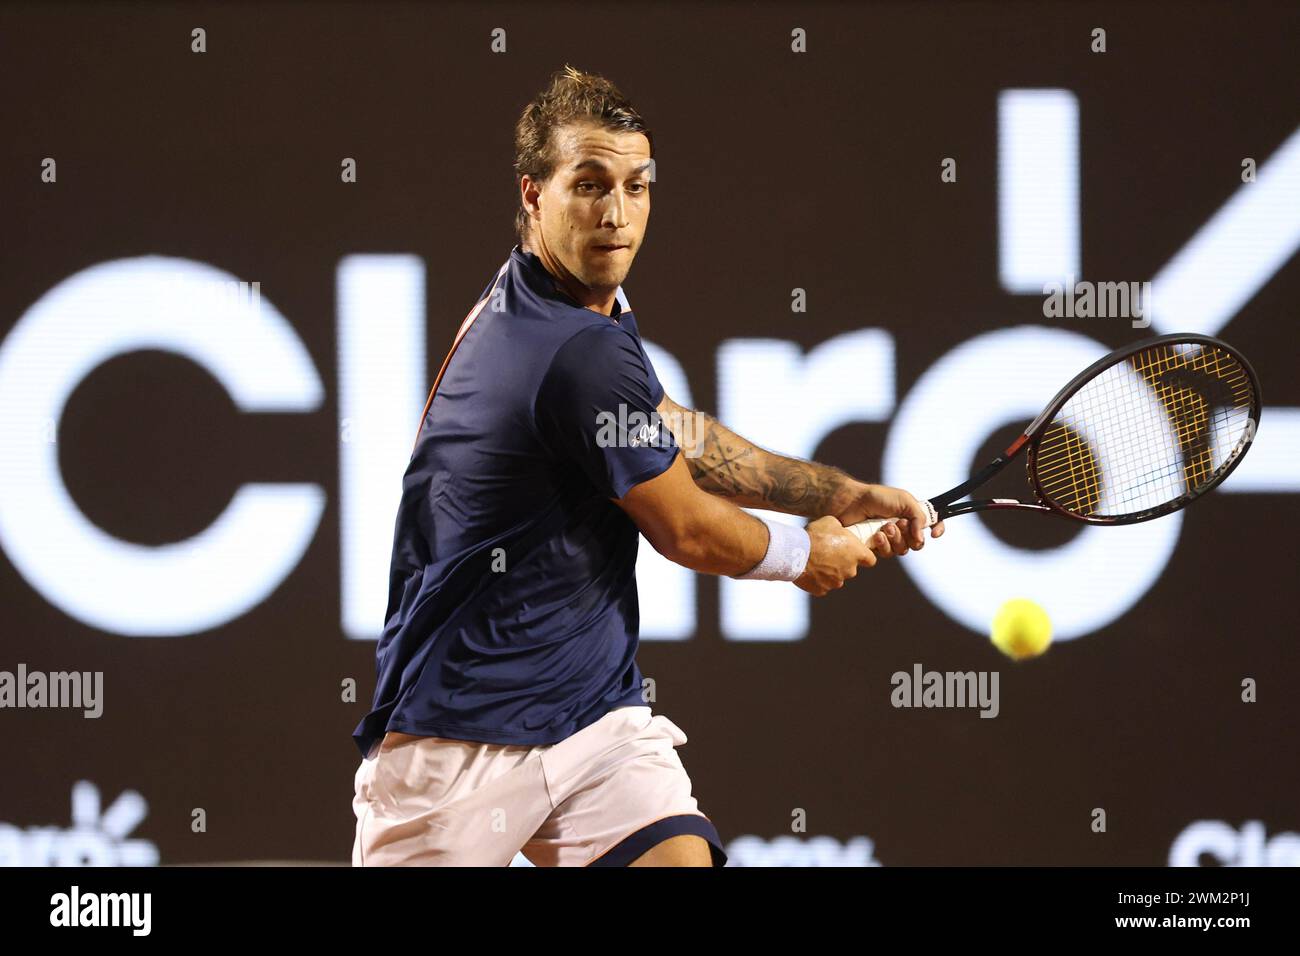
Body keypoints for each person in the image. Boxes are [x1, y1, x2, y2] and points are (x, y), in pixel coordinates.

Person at [350, 64, 942, 867]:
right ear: (533, 195)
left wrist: (839, 492)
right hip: (457, 732)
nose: (617, 215)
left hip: (591, 717)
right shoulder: (573, 351)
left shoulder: (555, 300)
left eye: (637, 185)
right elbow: (686, 530)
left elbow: (668, 429)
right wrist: (808, 553)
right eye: (589, 186)